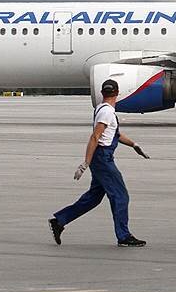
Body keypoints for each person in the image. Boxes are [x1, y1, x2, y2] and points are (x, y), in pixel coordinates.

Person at [49, 79, 150, 247]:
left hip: (100, 157)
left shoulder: (102, 109)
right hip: (103, 159)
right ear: (118, 93)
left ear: (103, 93)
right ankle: (124, 236)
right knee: (120, 196)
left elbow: (114, 134)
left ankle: (59, 221)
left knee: (93, 198)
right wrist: (85, 163)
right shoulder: (107, 113)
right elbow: (95, 137)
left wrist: (134, 145)